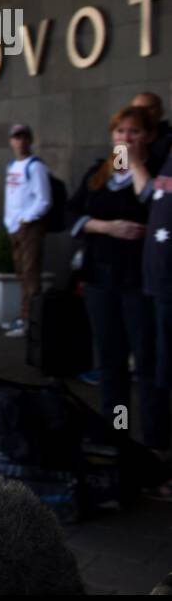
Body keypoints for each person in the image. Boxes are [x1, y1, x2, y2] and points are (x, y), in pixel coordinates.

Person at [67, 105, 161, 468]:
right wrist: (106, 227)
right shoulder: (98, 174)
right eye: (120, 132)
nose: (125, 138)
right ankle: (116, 432)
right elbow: (70, 214)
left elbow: (154, 205)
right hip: (100, 280)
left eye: (133, 132)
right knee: (110, 363)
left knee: (147, 364)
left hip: (138, 282)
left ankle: (155, 443)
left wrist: (137, 164)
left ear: (148, 137)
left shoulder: (156, 172)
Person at [130, 125, 172, 500]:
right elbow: (142, 193)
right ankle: (158, 454)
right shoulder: (164, 155)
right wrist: (129, 157)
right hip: (155, 283)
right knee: (159, 372)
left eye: (135, 129)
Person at [2, 124, 52, 338]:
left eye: (24, 137)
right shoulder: (13, 165)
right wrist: (10, 222)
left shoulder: (35, 166)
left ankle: (30, 321)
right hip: (15, 227)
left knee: (31, 277)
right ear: (11, 141)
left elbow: (44, 199)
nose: (20, 141)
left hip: (29, 227)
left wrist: (25, 219)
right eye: (16, 137)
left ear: (30, 140)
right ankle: (25, 317)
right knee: (23, 275)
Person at [132, 91, 171, 175]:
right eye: (138, 109)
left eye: (149, 108)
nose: (143, 113)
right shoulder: (127, 137)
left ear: (161, 111)